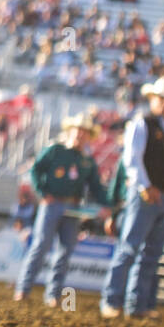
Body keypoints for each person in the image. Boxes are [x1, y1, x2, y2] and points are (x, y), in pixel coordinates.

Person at [100, 77, 164, 319]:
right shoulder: (142, 123)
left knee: (151, 253)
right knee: (130, 248)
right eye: (161, 99)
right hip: (145, 194)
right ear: (153, 99)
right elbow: (132, 159)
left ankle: (137, 305)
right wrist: (146, 186)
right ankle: (112, 300)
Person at [13, 113, 111, 307]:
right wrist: (42, 192)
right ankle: (23, 288)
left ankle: (54, 294)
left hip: (73, 208)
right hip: (51, 204)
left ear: (88, 136)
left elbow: (96, 187)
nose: (81, 135)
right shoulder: (55, 150)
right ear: (71, 131)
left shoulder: (87, 161)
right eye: (78, 130)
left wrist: (107, 205)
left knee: (65, 251)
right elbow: (35, 170)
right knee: (40, 246)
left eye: (85, 132)